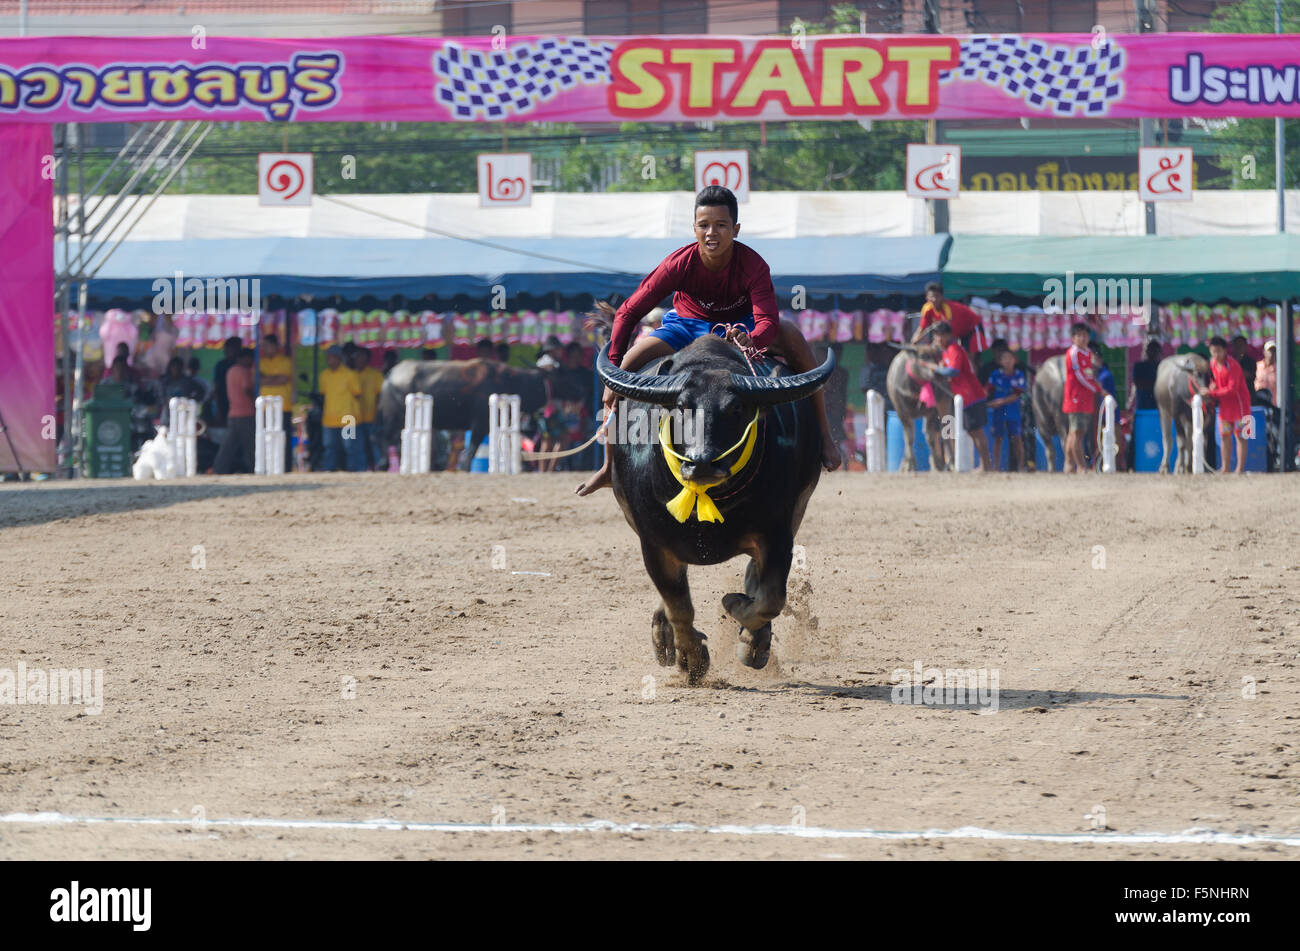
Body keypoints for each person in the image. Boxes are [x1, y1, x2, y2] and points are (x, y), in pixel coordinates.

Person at [576, 184, 841, 495]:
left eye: (721, 225)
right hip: (685, 327)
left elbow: (767, 320)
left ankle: (824, 436)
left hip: (740, 329)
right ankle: (609, 467)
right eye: (704, 225)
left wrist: (751, 338)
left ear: (736, 229)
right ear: (694, 228)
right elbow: (628, 312)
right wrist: (615, 370)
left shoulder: (754, 266)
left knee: (793, 336)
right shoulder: (679, 263)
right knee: (626, 367)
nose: (711, 233)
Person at [924, 321, 994, 471]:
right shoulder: (946, 351)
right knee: (972, 431)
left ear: (949, 336)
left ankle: (986, 466)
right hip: (963, 397)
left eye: (941, 336)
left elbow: (953, 372)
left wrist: (935, 368)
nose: (938, 339)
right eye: (936, 336)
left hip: (972, 395)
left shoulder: (954, 349)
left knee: (977, 431)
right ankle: (984, 465)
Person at [1198, 335, 1252, 475]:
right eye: (1213, 351)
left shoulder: (1233, 365)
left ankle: (1239, 469)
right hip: (1224, 407)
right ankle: (1225, 468)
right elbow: (1213, 381)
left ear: (1225, 350)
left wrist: (1212, 393)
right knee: (1224, 436)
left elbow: (1232, 389)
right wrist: (1211, 387)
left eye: (1218, 351)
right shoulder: (1212, 363)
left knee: (1241, 436)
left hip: (1241, 406)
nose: (1216, 355)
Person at [1062, 322, 1103, 474]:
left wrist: (1096, 387)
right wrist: (1097, 389)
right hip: (1075, 398)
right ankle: (1080, 466)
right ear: (1073, 338)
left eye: (1085, 335)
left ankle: (1069, 465)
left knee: (1075, 433)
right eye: (1079, 335)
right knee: (1076, 432)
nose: (1082, 338)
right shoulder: (1073, 353)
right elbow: (1080, 376)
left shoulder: (1088, 352)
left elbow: (1089, 375)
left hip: (1086, 399)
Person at [319, 344, 364, 472]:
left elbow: (358, 394)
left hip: (347, 417)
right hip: (329, 418)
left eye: (333, 357)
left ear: (339, 358)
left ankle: (354, 470)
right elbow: (323, 394)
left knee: (350, 447)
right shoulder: (324, 375)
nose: (330, 361)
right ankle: (329, 469)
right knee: (330, 446)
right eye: (328, 358)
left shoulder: (350, 374)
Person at [912, 282, 987, 356]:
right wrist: (913, 343)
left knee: (969, 358)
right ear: (927, 297)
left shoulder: (949, 309)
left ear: (942, 296)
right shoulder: (927, 309)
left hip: (973, 329)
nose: (934, 299)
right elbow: (921, 329)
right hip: (960, 333)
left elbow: (949, 334)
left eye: (937, 296)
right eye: (931, 296)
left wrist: (935, 344)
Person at [213, 347, 256, 474]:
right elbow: (247, 389)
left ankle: (219, 468)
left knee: (229, 445)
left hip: (233, 413)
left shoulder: (230, 371)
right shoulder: (244, 371)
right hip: (246, 413)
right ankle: (253, 468)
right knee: (250, 445)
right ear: (245, 358)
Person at [986, 347, 1027, 472]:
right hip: (998, 413)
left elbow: (1017, 394)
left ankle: (1021, 466)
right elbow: (987, 390)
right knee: (998, 439)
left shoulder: (1019, 375)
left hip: (1013, 411)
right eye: (1005, 358)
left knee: (1016, 438)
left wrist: (1000, 402)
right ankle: (996, 467)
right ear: (1000, 361)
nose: (1008, 361)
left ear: (1015, 360)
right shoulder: (995, 375)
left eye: (1010, 358)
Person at [259, 333, 294, 471]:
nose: (264, 348)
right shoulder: (261, 362)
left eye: (267, 345)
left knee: (283, 438)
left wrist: (267, 379)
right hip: (265, 408)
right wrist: (274, 379)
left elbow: (283, 379)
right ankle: (267, 467)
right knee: (266, 438)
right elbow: (258, 380)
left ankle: (286, 468)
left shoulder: (285, 361)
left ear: (275, 346)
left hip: (283, 407)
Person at [351, 346, 384, 470]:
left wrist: (378, 414)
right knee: (354, 445)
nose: (359, 359)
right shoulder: (350, 374)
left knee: (374, 444)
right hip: (351, 419)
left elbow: (381, 396)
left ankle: (379, 467)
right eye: (357, 356)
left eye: (361, 356)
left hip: (371, 417)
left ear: (367, 358)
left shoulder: (376, 375)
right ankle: (359, 469)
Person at [211, 335, 242, 426]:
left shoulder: (243, 364)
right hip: (225, 403)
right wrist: (219, 412)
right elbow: (217, 389)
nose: (236, 350)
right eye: (233, 347)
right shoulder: (221, 365)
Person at [1131, 339, 1162, 411]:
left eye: (1155, 351)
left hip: (1159, 408)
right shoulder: (1139, 366)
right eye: (1151, 351)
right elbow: (1138, 383)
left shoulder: (1162, 367)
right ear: (1147, 352)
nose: (1153, 353)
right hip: (1143, 406)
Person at [1255, 340, 1278, 405]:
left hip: (1273, 404)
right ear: (1264, 352)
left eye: (1274, 351)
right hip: (1258, 403)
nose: (1271, 353)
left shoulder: (1278, 369)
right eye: (1269, 350)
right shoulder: (1257, 366)